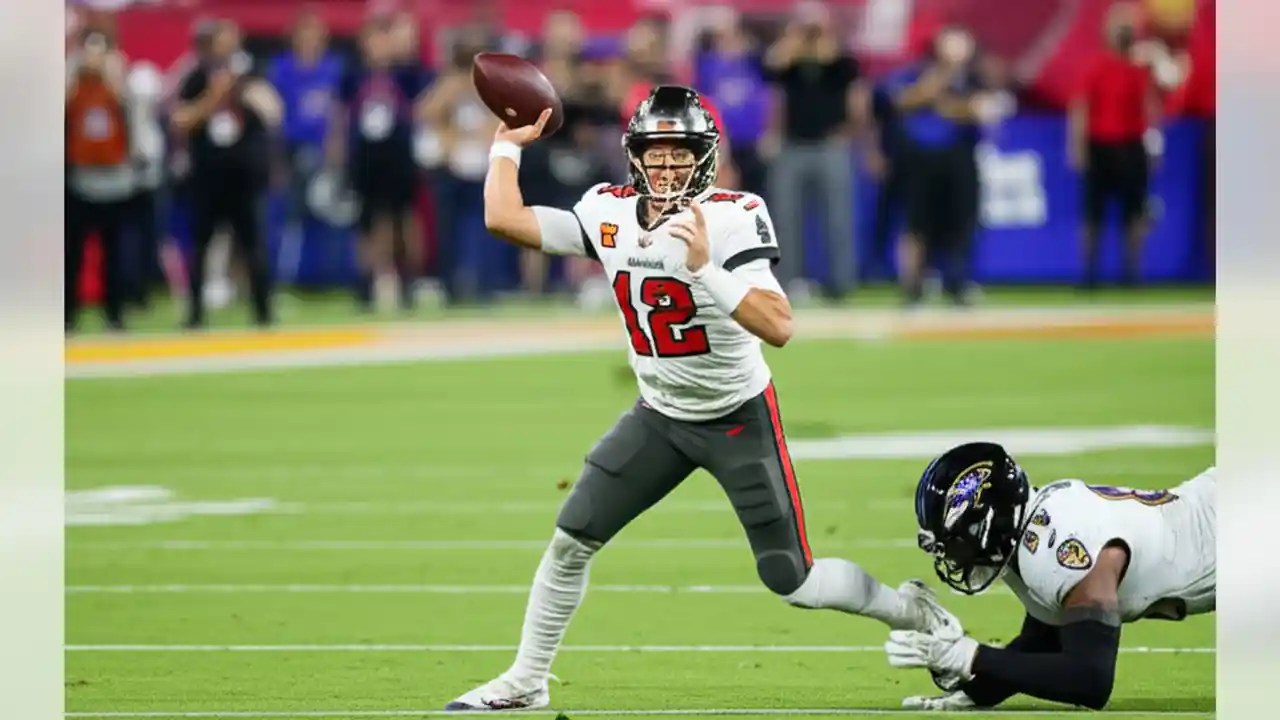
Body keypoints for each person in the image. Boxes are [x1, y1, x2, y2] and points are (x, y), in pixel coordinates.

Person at [444, 85, 960, 711]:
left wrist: (703, 267)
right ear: (633, 156)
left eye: (679, 154)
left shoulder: (731, 215)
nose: (666, 167)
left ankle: (911, 610)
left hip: (737, 416)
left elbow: (780, 325)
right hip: (659, 415)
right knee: (572, 536)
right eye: (654, 154)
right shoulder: (607, 211)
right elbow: (507, 219)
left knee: (791, 579)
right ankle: (526, 678)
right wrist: (504, 146)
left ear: (704, 157)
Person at [886, 442, 1215, 711]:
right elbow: (1042, 643)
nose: (954, 557)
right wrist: (974, 691)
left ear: (989, 524)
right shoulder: (1034, 536)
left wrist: (972, 657)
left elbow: (1090, 679)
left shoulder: (1059, 545)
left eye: (956, 542)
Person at [172, 20, 280, 329]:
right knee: (201, 246)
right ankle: (194, 313)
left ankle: (263, 312)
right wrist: (212, 96)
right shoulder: (194, 77)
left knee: (253, 246)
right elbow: (181, 121)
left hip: (243, 177)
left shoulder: (251, 73)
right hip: (207, 176)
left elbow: (273, 112)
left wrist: (242, 89)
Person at [762, 1, 865, 301]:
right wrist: (795, 36)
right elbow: (772, 66)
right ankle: (789, 282)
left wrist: (852, 134)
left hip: (830, 145)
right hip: (791, 145)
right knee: (786, 219)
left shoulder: (841, 61)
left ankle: (840, 284)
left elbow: (856, 98)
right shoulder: (789, 61)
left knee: (838, 218)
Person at [886, 27, 987, 307]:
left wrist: (946, 105)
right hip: (921, 158)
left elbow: (976, 110)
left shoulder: (973, 77)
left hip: (959, 156)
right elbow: (904, 101)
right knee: (917, 224)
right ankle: (912, 288)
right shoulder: (916, 72)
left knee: (962, 223)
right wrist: (940, 82)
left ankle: (959, 284)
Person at [1069, 3, 1163, 289]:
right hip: (1100, 145)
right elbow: (1080, 107)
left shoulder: (1142, 67)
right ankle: (1089, 273)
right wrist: (1077, 147)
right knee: (1092, 214)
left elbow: (1151, 106)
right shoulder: (1095, 65)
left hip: (1132, 144)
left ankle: (1131, 271)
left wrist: (1154, 144)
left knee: (1135, 212)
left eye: (1129, 26)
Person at [66, 28, 133, 332]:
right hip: (79, 177)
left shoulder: (119, 79)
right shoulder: (73, 81)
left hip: (114, 178)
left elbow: (130, 109)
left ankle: (115, 314)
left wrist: (110, 72)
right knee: (71, 254)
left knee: (114, 254)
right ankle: (67, 315)